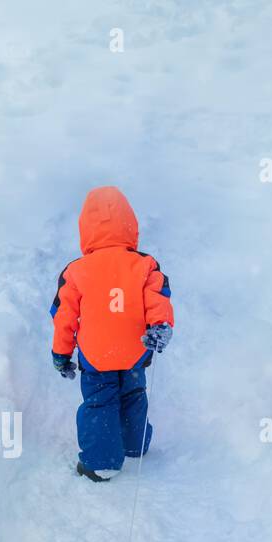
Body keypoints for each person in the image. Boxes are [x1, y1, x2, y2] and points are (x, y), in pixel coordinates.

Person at [49, 186, 175, 481]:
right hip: (135, 349)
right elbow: (159, 298)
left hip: (96, 354)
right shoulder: (145, 264)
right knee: (133, 393)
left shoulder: (75, 271)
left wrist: (61, 354)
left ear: (86, 230)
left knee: (100, 401)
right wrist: (160, 326)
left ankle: (101, 462)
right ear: (130, 226)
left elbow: (64, 317)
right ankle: (134, 445)